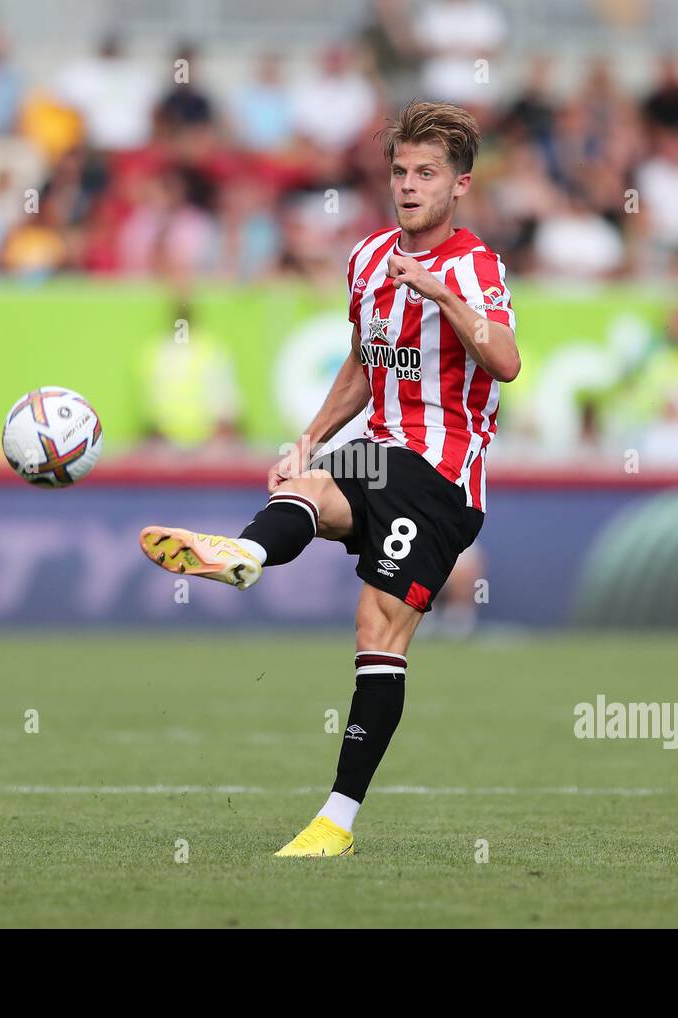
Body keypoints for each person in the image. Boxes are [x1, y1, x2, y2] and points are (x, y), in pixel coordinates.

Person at [138, 100, 520, 857]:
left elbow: (505, 361)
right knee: (306, 488)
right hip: (380, 448)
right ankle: (245, 556)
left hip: (442, 478)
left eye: (427, 174)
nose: (409, 186)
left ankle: (335, 822)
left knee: (378, 632)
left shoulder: (473, 267)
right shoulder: (369, 257)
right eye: (400, 171)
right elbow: (360, 361)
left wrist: (441, 294)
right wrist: (310, 438)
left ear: (460, 186)